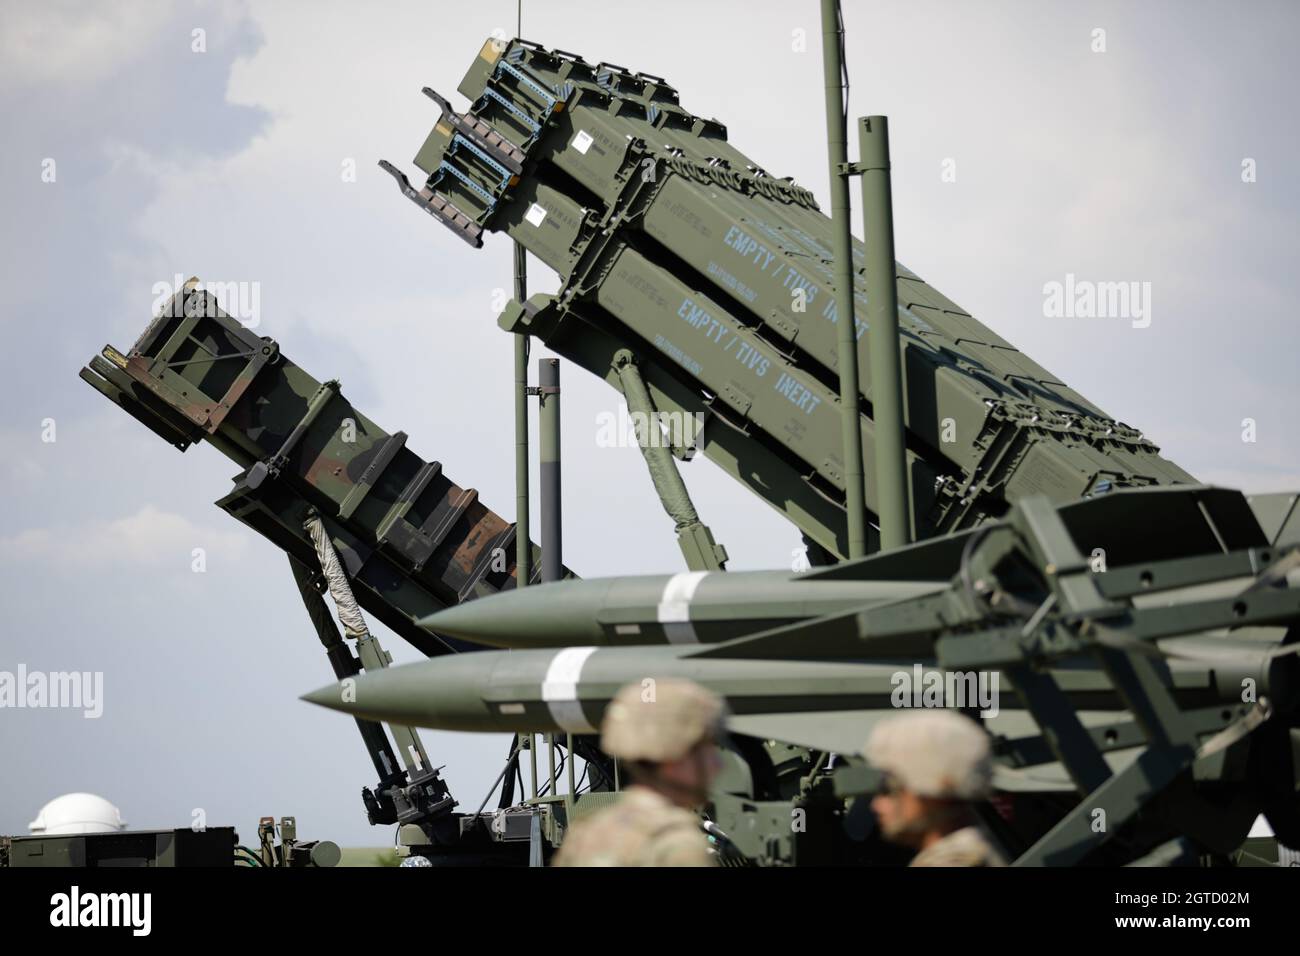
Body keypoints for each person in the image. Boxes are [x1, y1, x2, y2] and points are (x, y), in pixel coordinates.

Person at [553, 678, 724, 867]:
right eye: (705, 751)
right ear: (673, 756)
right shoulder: (678, 846)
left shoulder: (585, 836)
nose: (718, 764)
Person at [864, 710, 1006, 867]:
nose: (876, 805)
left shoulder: (955, 861)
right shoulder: (972, 853)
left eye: (888, 789)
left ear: (932, 789)